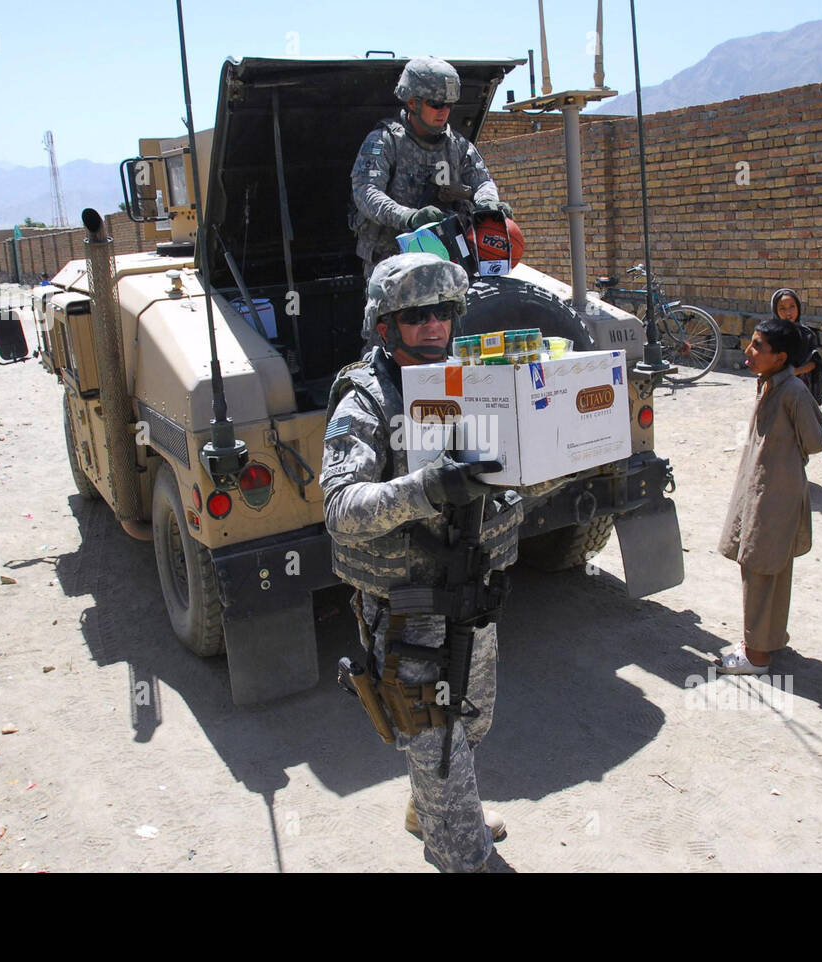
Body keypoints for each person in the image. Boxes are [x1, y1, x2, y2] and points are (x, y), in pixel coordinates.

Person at [322, 252, 516, 872]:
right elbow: (342, 507)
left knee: (474, 722)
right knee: (437, 742)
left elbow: (512, 470)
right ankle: (459, 848)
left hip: (473, 593)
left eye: (443, 312)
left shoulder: (474, 380)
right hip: (408, 610)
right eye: (415, 316)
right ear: (386, 326)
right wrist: (428, 489)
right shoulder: (366, 398)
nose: (434, 326)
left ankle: (426, 808)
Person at [717, 319, 822, 673]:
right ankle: (766, 639)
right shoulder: (768, 384)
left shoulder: (793, 391)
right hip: (762, 487)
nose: (749, 352)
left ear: (780, 358)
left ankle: (757, 656)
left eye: (757, 347)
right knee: (765, 567)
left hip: (776, 494)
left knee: (762, 567)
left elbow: (816, 441)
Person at [350, 57, 506, 279]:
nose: (443, 111)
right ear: (412, 103)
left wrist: (488, 203)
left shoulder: (458, 146)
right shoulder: (385, 141)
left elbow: (482, 181)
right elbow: (366, 192)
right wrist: (408, 217)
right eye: (435, 104)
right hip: (392, 264)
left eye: (449, 105)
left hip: (450, 261)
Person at [771, 288, 822, 405]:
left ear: (798, 308)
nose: (788, 312)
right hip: (777, 386)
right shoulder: (771, 336)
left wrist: (794, 372)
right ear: (775, 310)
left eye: (792, 306)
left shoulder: (807, 334)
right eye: (782, 308)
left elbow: (814, 363)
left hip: (803, 388)